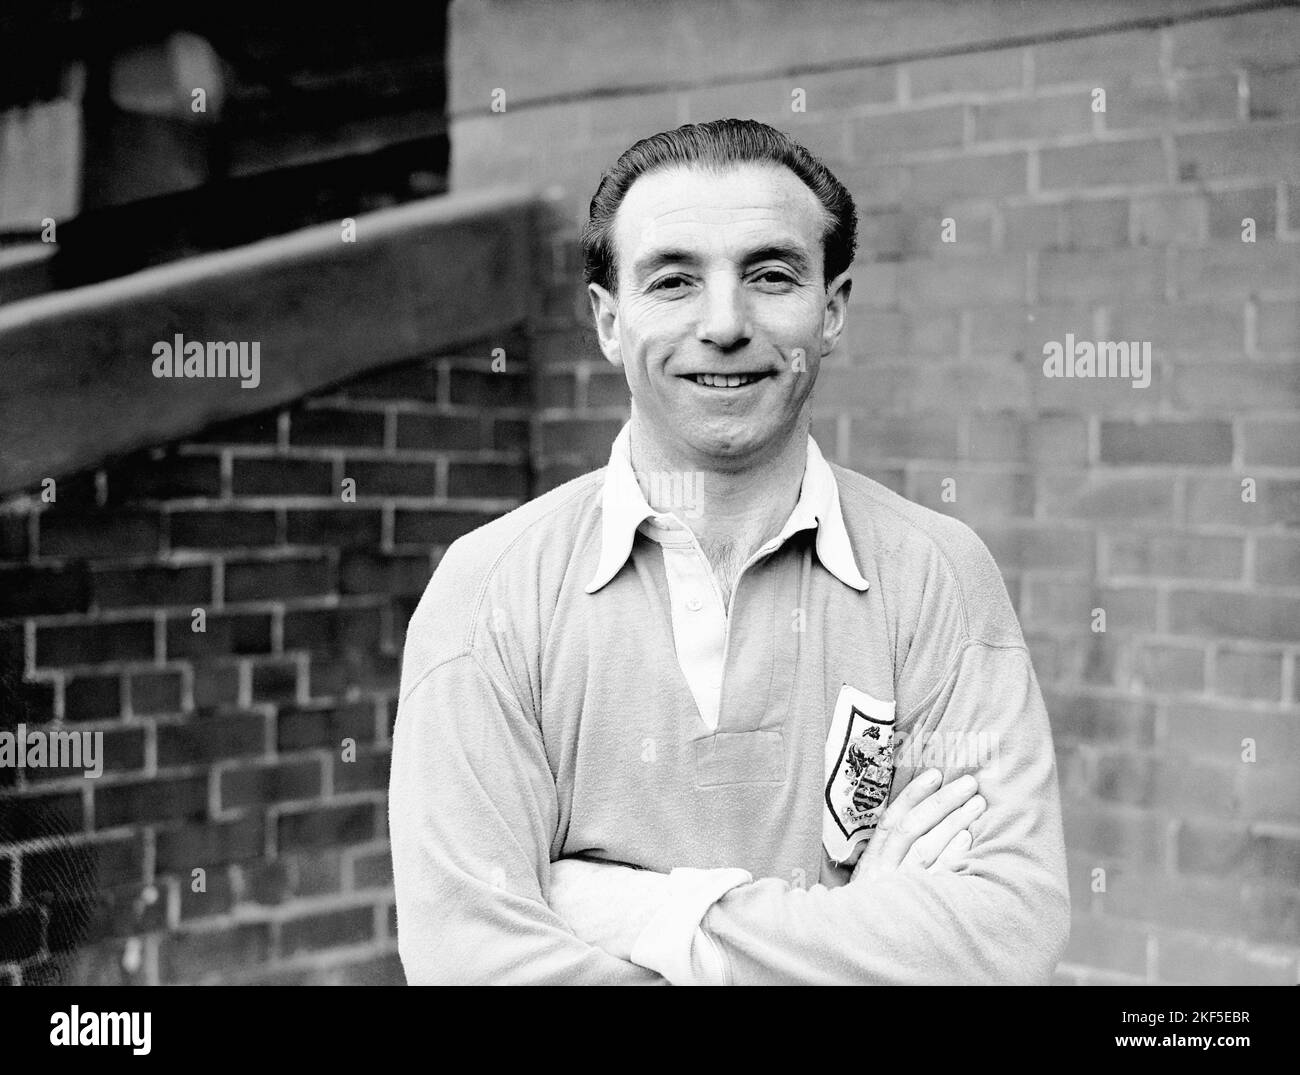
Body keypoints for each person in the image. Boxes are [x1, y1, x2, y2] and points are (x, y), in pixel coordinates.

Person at [389, 118, 1070, 985]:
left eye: (771, 275)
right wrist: (864, 932)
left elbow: (1007, 937)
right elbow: (470, 964)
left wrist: (652, 916)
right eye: (673, 280)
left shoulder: (938, 575)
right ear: (608, 321)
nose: (724, 324)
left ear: (832, 309)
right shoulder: (487, 593)